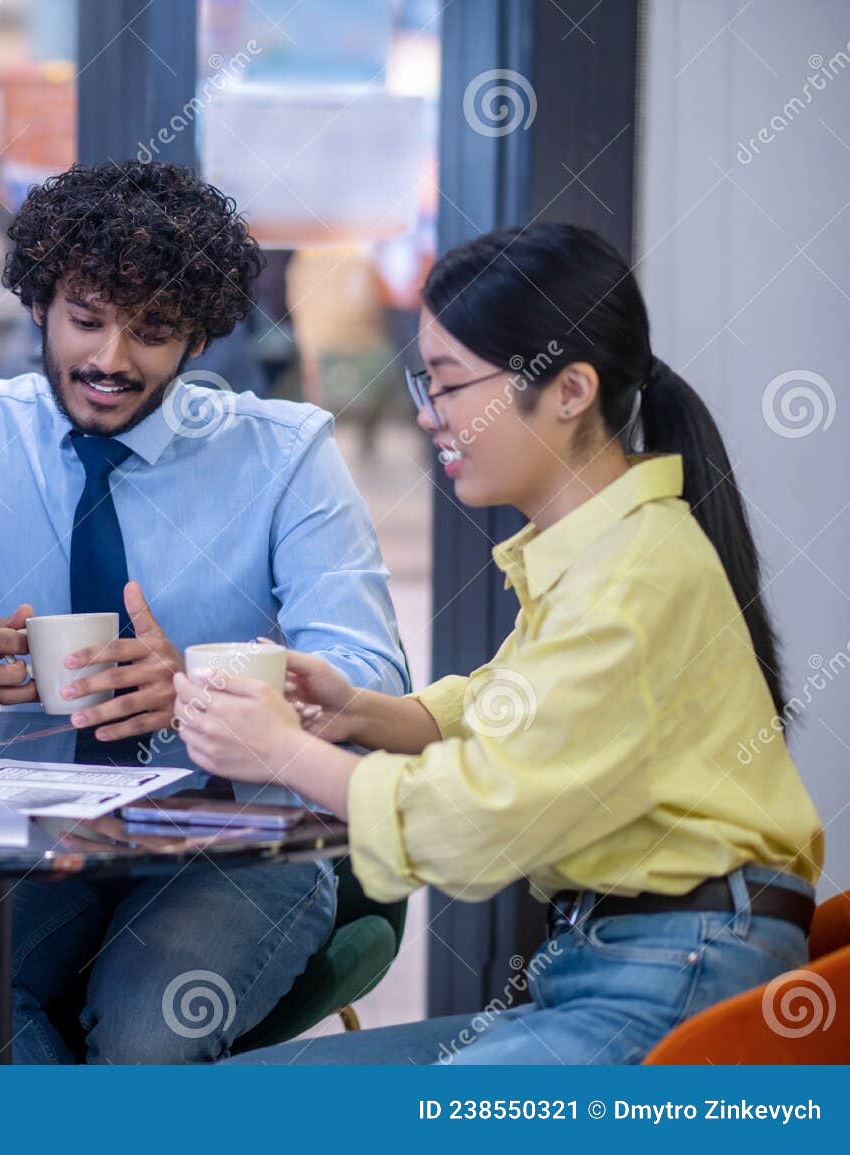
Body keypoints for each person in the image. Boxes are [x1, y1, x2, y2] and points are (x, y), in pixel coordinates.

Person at [171, 223, 824, 1065]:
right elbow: (510, 706)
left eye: (445, 383)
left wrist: (285, 751)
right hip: (630, 964)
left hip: (679, 978)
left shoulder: (629, 575)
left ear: (569, 389)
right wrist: (360, 711)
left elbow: (481, 824)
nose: (423, 411)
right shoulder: (607, 548)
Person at [0, 161, 409, 1063]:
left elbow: (372, 684)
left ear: (196, 340)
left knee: (153, 1020)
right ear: (40, 304)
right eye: (86, 319)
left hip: (235, 837)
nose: (111, 358)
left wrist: (196, 686)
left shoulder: (284, 454)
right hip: (41, 831)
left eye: (151, 332)